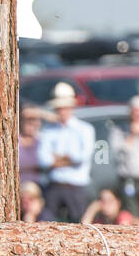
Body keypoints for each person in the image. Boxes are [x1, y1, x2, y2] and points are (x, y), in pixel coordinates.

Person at [36, 83, 96, 222]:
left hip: (76, 186)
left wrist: (57, 160)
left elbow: (82, 157)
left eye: (64, 107)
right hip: (55, 184)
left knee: (79, 224)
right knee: (46, 222)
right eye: (59, 108)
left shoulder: (85, 129)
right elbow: (43, 160)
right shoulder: (48, 131)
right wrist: (68, 159)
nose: (61, 111)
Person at [18, 105, 48, 188]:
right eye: (27, 119)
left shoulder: (44, 140)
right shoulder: (15, 141)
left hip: (40, 186)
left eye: (35, 119)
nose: (31, 122)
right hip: (19, 186)